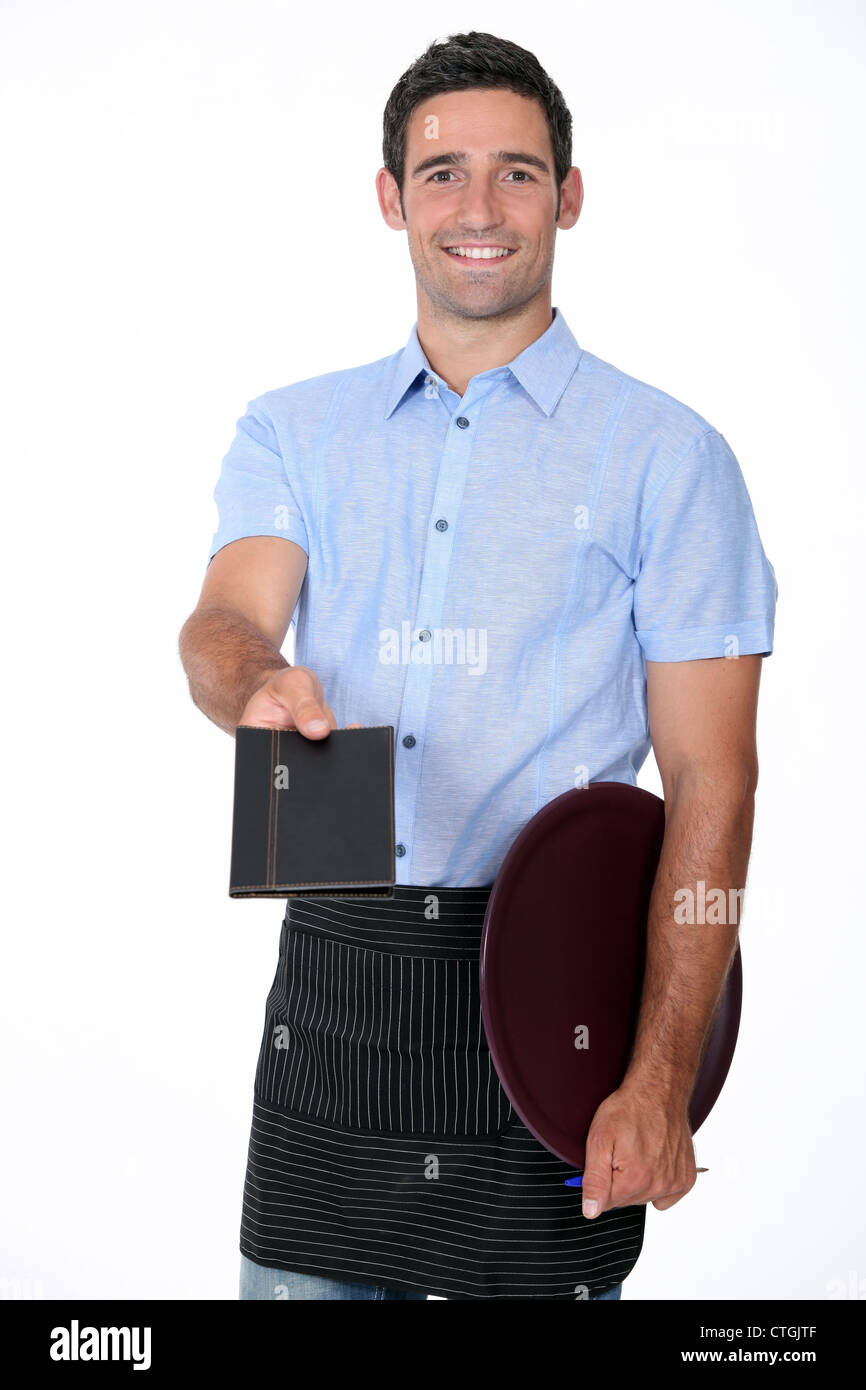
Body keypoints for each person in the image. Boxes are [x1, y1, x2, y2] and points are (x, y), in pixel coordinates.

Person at [178, 30, 777, 1301]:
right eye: (442, 173)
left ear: (566, 196)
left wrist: (660, 1076)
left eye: (516, 173)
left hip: (546, 993)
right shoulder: (294, 428)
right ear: (392, 199)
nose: (479, 208)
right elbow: (226, 619)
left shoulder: (668, 458)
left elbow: (712, 782)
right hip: (331, 991)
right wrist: (253, 682)